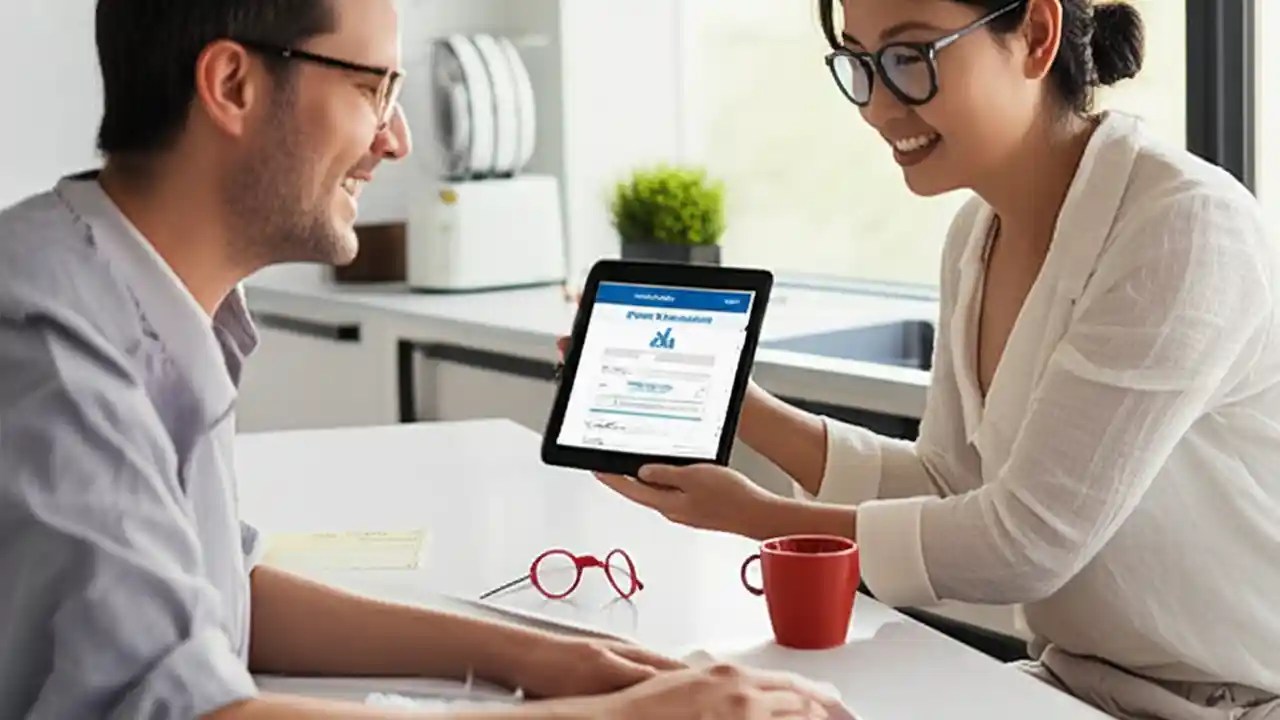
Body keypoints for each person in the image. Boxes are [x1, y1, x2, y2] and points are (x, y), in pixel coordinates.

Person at [0, 1, 838, 718]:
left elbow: (221, 593)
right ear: (232, 86)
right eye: (372, 88)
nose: (396, 139)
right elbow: (183, 707)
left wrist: (552, 661)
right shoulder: (48, 343)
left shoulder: (146, 299)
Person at [584, 1, 1280, 718]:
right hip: (1071, 685)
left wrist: (755, 517)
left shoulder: (1183, 228)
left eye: (909, 57)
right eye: (859, 63)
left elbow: (1026, 543)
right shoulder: (976, 236)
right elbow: (948, 482)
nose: (878, 107)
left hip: (1230, 704)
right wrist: (735, 402)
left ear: (1035, 35)